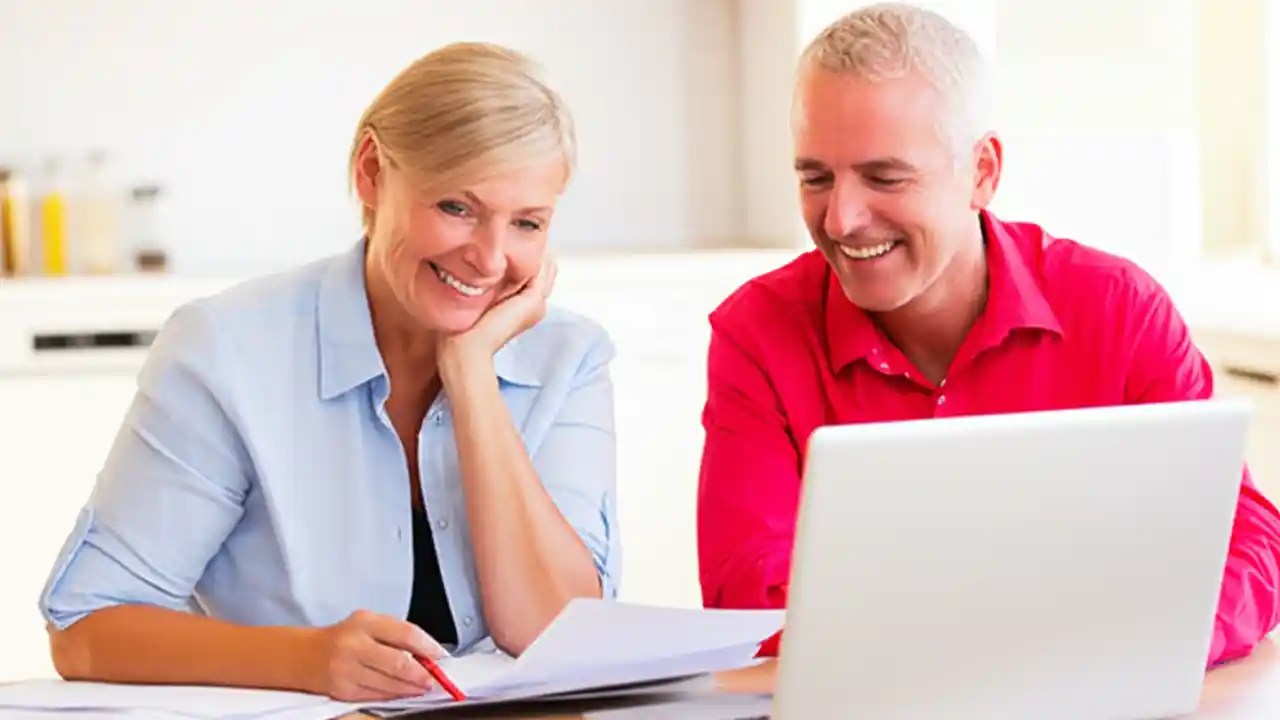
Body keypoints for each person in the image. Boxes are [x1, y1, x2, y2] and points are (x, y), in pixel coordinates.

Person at [696, 2, 1280, 665]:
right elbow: (745, 599)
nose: (842, 218)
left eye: (885, 178)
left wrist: (1136, 646)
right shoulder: (757, 333)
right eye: (816, 178)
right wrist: (1030, 631)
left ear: (983, 172)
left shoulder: (1119, 311)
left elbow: (1246, 538)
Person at [39, 42, 620, 701]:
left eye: (527, 224)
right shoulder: (228, 349)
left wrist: (471, 376)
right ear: (372, 172)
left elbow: (563, 637)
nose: (490, 259)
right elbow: (88, 628)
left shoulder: (569, 356)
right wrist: (305, 659)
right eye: (457, 208)